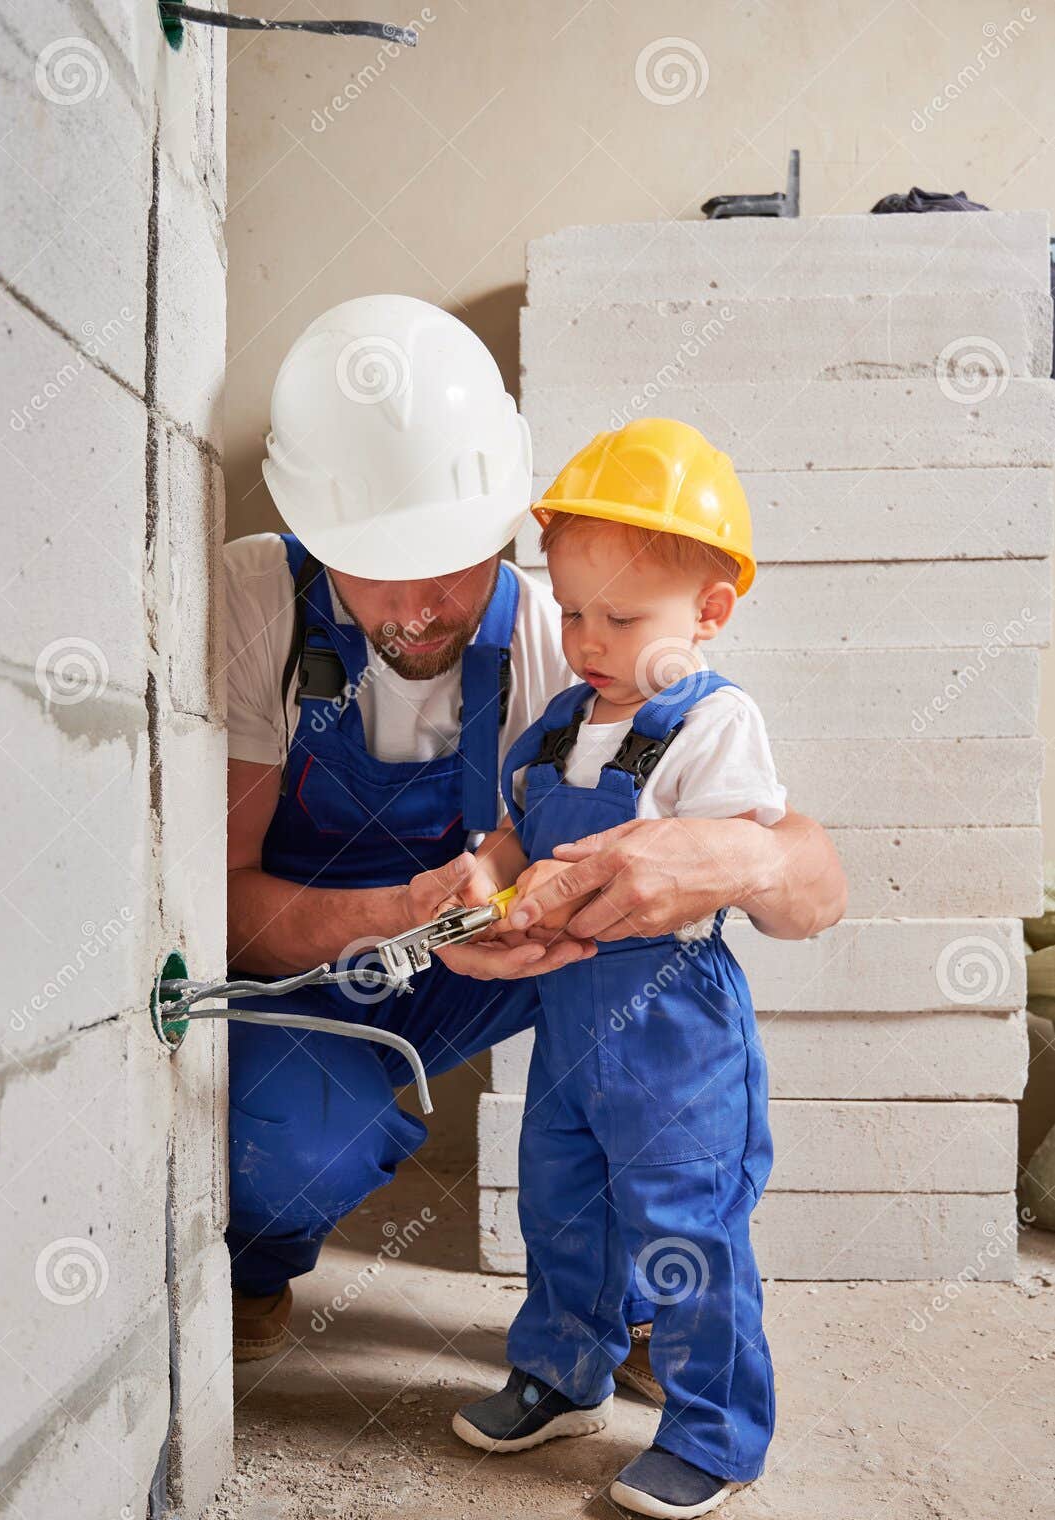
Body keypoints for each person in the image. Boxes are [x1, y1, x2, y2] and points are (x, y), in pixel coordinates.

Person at [223, 296, 848, 1369]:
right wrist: (410, 912)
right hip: (313, 969)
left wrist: (732, 859)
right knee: (278, 1156)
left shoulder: (576, 646)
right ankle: (254, 1260)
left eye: (456, 559)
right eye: (380, 566)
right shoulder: (256, 603)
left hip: (502, 958)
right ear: (317, 533)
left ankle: (661, 1287)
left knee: (653, 1022)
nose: (419, 607)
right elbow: (220, 906)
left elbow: (816, 888)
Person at [449, 420, 798, 1520]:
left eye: (622, 616)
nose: (587, 638)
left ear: (709, 611)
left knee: (682, 1223)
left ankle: (713, 1432)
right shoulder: (555, 729)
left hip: (672, 1035)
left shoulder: (712, 724)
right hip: (566, 1025)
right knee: (560, 1202)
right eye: (571, 610)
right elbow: (513, 837)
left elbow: (734, 855)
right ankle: (564, 1371)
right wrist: (481, 877)